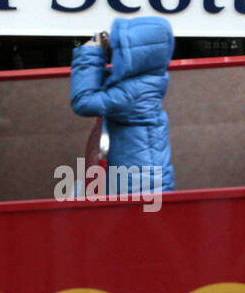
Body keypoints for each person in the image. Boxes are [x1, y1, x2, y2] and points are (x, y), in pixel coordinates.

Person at [69, 16, 175, 193]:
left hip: (141, 187)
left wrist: (90, 53)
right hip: (141, 180)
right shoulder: (145, 81)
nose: (114, 52)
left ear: (134, 57)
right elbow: (105, 86)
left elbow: (84, 102)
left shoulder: (132, 92)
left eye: (119, 50)